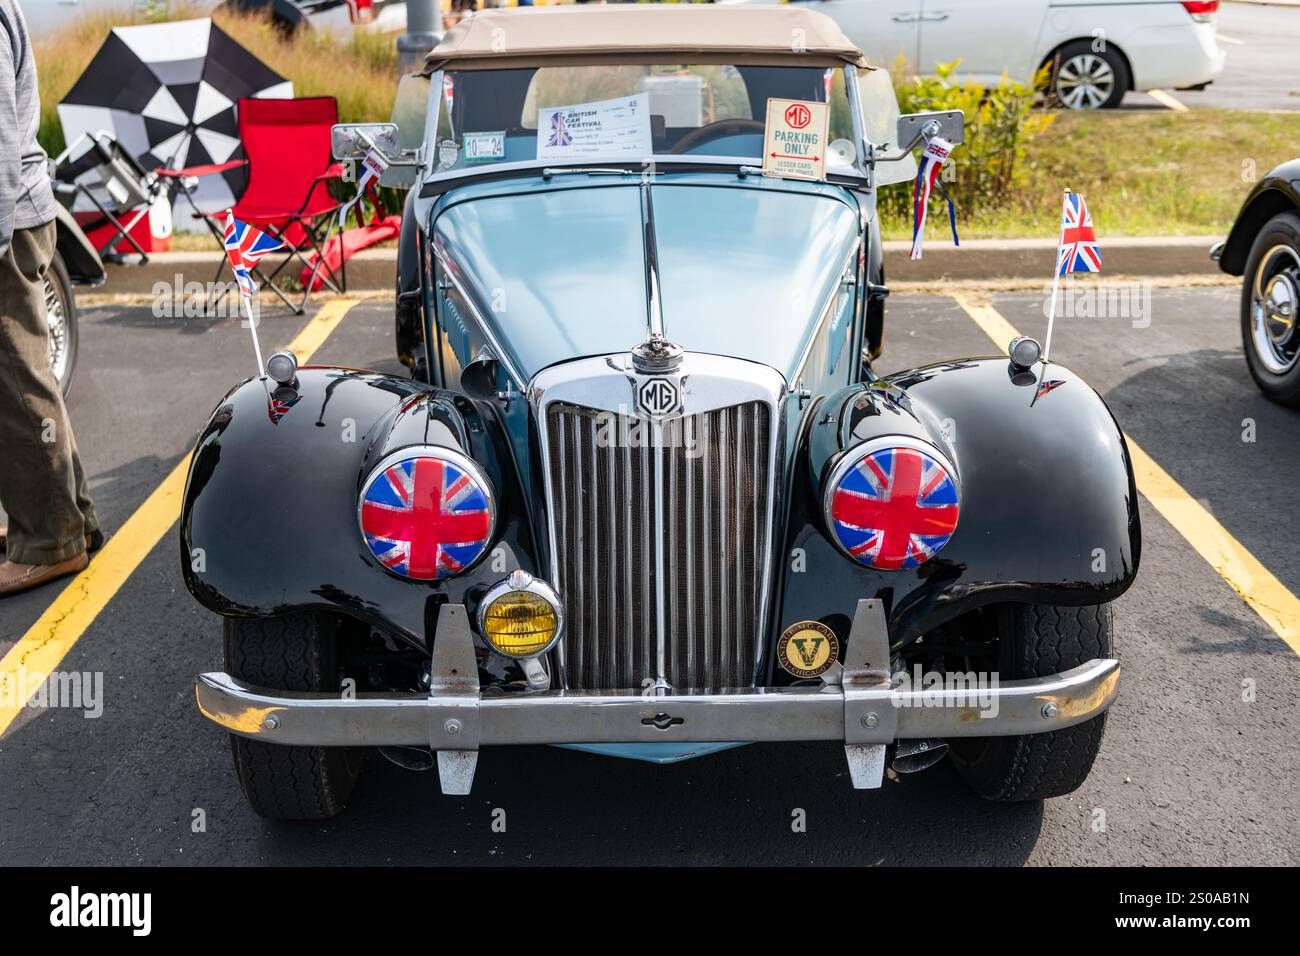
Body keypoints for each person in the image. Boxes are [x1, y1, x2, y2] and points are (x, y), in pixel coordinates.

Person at [0, 0, 102, 597]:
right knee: (24, 378)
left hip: (8, 225)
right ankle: (71, 521)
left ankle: (51, 543)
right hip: (19, 216)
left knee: (15, 383)